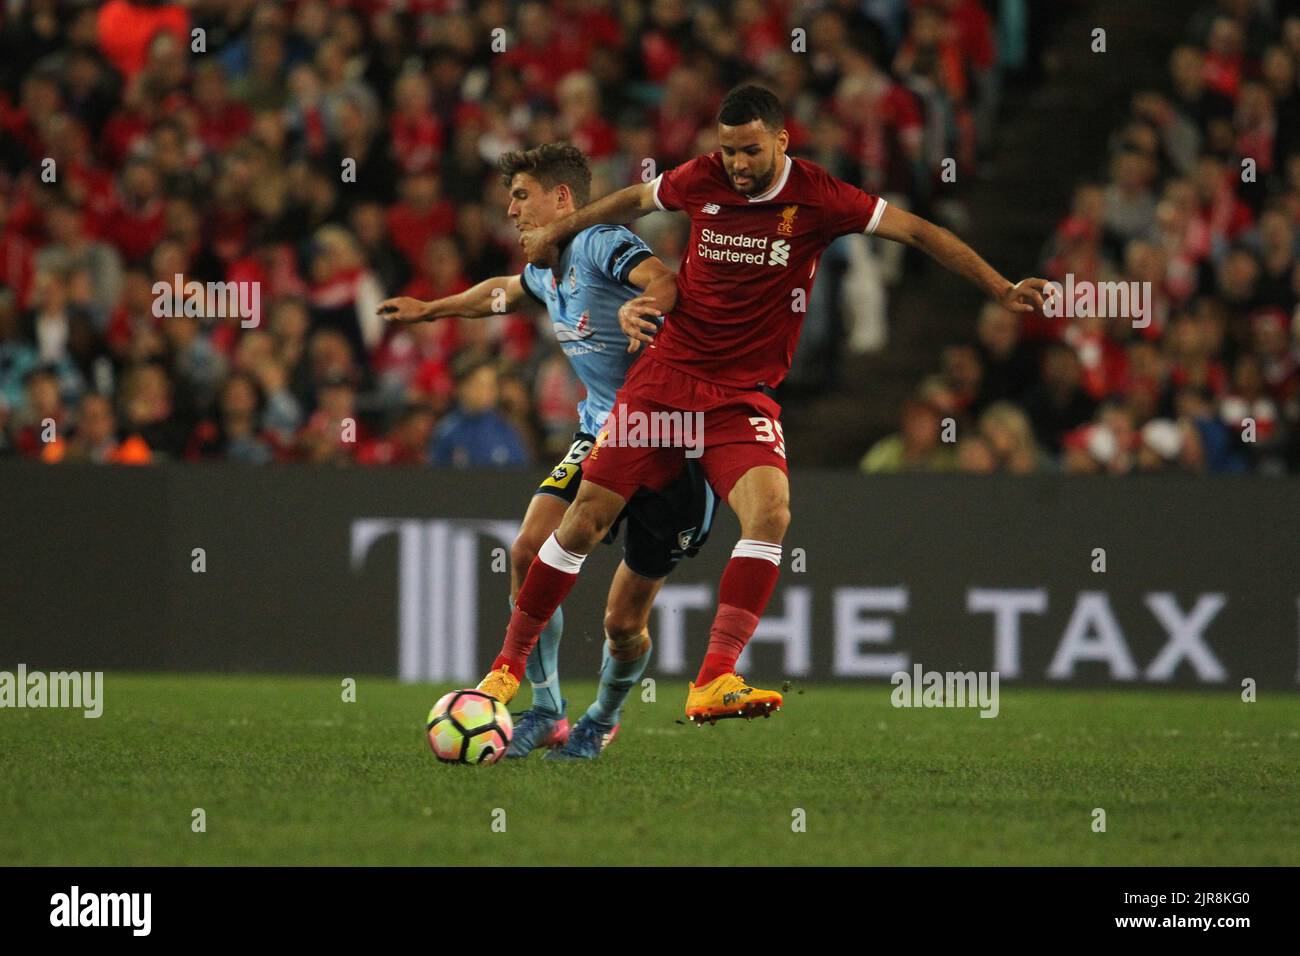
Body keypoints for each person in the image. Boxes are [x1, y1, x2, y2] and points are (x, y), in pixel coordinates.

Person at [484, 85, 1050, 724]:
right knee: (583, 519)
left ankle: (714, 677)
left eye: (750, 150)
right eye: (727, 151)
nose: (737, 164)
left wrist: (1000, 287)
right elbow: (635, 200)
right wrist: (567, 225)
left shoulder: (820, 196)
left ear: (782, 140)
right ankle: (506, 670)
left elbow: (918, 232)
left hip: (740, 397)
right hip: (666, 379)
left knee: (772, 511)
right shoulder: (702, 177)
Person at [377, 143, 717, 760]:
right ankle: (548, 708)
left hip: (664, 443)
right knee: (529, 550)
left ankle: (603, 719)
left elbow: (663, 278)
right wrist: (432, 309)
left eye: (521, 195)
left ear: (563, 199)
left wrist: (647, 304)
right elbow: (499, 293)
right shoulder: (544, 271)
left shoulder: (598, 243)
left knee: (623, 623)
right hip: (599, 434)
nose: (509, 209)